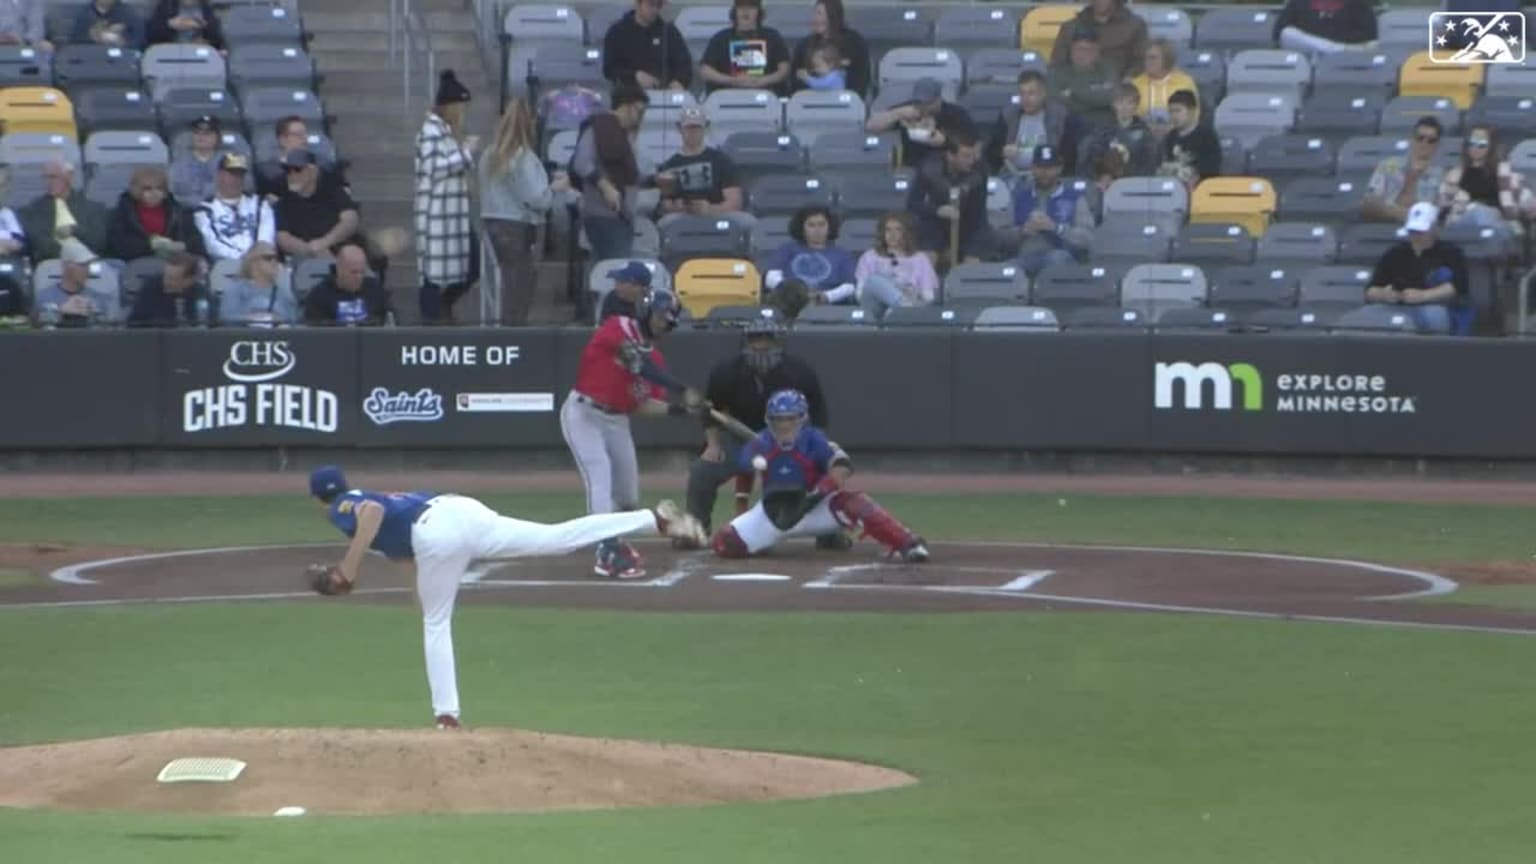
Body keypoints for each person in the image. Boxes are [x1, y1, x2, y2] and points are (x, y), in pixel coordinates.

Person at [304, 464, 706, 730]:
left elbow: (370, 513)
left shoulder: (343, 506)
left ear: (317, 499)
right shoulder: (379, 501)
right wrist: (422, 602)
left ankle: (447, 717)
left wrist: (347, 571)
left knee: (437, 625)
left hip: (436, 531)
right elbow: (406, 558)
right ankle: (653, 520)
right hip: (461, 510)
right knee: (556, 538)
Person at [560, 288, 702, 579]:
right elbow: (639, 364)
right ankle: (606, 548)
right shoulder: (617, 327)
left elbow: (642, 404)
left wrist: (683, 410)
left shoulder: (657, 360)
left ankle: (609, 532)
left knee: (627, 497)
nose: (664, 322)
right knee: (599, 477)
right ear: (647, 311)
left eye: (668, 319)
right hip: (583, 413)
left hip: (616, 420)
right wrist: (681, 389)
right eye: (661, 316)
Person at [711, 389, 929, 562]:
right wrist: (742, 500)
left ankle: (908, 543)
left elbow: (842, 466)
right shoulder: (761, 442)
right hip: (774, 513)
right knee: (725, 544)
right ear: (771, 420)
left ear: (802, 419)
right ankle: (768, 541)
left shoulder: (814, 439)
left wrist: (823, 488)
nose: (784, 425)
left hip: (815, 507)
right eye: (779, 419)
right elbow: (744, 469)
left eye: (790, 419)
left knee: (856, 503)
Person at [686, 317, 832, 542]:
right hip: (739, 439)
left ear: (778, 343)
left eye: (768, 339)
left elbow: (819, 418)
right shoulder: (726, 371)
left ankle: (829, 533)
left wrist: (814, 451)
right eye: (755, 339)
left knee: (823, 473)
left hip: (790, 439)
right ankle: (696, 530)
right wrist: (713, 446)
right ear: (746, 342)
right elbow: (709, 412)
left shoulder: (800, 371)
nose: (761, 345)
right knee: (702, 471)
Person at [480, 98, 564, 327]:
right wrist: (554, 189)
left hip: (492, 223)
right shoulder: (523, 158)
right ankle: (514, 336)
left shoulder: (488, 155)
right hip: (519, 227)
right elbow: (537, 198)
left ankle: (500, 330)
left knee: (501, 285)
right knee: (519, 288)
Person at [414, 70, 478, 325]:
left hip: (452, 214)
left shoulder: (446, 132)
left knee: (470, 265)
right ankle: (431, 318)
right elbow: (433, 168)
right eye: (461, 107)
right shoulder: (429, 131)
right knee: (432, 273)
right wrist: (465, 153)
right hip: (435, 215)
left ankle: (444, 306)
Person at [571, 83, 650, 262]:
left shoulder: (622, 134)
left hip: (620, 215)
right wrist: (605, 186)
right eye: (639, 111)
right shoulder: (600, 127)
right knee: (615, 268)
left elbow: (627, 174)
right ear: (627, 106)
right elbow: (582, 162)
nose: (640, 118)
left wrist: (653, 180)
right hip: (604, 214)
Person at [1365, 202, 1468, 334]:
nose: (1416, 236)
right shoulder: (1394, 253)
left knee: (1434, 317)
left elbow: (1458, 287)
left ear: (1434, 228)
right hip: (1396, 306)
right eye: (1413, 231)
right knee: (1368, 314)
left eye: (1421, 231)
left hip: (1434, 305)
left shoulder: (1451, 252)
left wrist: (1424, 296)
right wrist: (1385, 295)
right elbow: (1371, 289)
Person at [907, 130, 990, 265]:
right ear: (950, 155)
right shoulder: (929, 168)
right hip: (935, 223)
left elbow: (979, 213)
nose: (972, 161)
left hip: (969, 224)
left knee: (972, 264)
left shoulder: (980, 171)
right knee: (927, 259)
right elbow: (913, 203)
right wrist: (938, 210)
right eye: (966, 156)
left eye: (973, 155)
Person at [1437, 126, 1535, 238]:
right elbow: (1442, 206)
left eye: (1481, 144)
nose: (1476, 148)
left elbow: (1527, 203)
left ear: (1491, 146)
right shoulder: (1454, 175)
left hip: (1498, 231)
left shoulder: (1505, 174)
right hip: (1464, 231)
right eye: (1472, 143)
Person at [986, 70, 1082, 182]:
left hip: (1050, 179)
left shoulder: (1060, 116)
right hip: (1011, 177)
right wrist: (1002, 151)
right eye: (1022, 93)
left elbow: (1069, 155)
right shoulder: (1008, 115)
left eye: (1031, 93)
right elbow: (990, 152)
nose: (1026, 99)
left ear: (1043, 93)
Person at [1013, 145, 1094, 277]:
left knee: (1056, 259)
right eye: (1040, 167)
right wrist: (1022, 231)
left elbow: (1087, 238)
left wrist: (1056, 228)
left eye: (1049, 168)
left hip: (1060, 254)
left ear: (1059, 169)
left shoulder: (1075, 198)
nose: (1044, 172)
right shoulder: (1020, 196)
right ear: (1032, 168)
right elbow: (1001, 235)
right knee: (1007, 269)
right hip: (1025, 256)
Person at [655, 108, 745, 223]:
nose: (692, 132)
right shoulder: (669, 166)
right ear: (680, 129)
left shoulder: (721, 161)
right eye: (688, 127)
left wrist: (710, 209)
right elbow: (664, 204)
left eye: (697, 127)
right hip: (682, 222)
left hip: (717, 219)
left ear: (705, 129)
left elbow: (734, 202)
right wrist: (679, 207)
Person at [865, 77, 976, 169]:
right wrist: (897, 114)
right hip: (910, 166)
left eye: (928, 103)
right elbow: (871, 126)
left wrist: (945, 142)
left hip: (945, 168)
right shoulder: (908, 109)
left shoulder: (956, 114)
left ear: (938, 99)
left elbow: (971, 145)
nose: (923, 106)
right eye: (919, 102)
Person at [16, 157, 109, 265]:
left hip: (91, 263)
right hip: (52, 264)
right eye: (45, 178)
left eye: (53, 177)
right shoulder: (32, 210)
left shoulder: (94, 208)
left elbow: (99, 242)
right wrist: (70, 254)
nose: (48, 182)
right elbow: (40, 245)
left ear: (69, 176)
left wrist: (74, 230)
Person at [275, 148, 360, 259]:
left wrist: (325, 242)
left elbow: (350, 219)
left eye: (297, 169)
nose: (291, 175)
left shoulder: (333, 190)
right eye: (287, 170)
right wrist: (309, 250)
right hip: (300, 260)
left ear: (313, 172)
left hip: (339, 253)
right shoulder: (283, 200)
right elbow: (282, 237)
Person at [764, 204, 857, 304]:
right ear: (802, 228)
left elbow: (850, 286)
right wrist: (794, 293)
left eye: (822, 224)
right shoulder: (787, 249)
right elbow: (771, 278)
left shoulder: (842, 254)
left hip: (829, 306)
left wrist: (826, 296)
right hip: (791, 304)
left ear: (829, 227)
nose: (817, 230)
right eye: (811, 225)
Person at [107, 165, 201, 262]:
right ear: (136, 190)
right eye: (148, 189)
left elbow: (196, 241)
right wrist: (151, 245)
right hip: (135, 261)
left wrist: (183, 245)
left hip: (175, 261)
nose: (154, 193)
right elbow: (119, 244)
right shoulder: (124, 212)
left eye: (159, 188)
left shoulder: (179, 212)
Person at [854, 211, 939, 317]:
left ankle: (899, 310)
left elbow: (929, 297)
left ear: (907, 233)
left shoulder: (920, 259)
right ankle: (903, 309)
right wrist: (888, 291)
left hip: (911, 304)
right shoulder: (869, 256)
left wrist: (908, 293)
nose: (892, 234)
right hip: (875, 309)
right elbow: (860, 293)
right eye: (888, 230)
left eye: (898, 229)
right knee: (874, 280)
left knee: (893, 309)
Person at [1363, 116, 1445, 225]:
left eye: (1431, 140)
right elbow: (1370, 200)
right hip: (1383, 223)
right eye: (1420, 138)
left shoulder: (1442, 176)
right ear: (1412, 139)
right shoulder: (1388, 165)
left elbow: (1436, 213)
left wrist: (1390, 210)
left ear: (1437, 144)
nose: (1424, 144)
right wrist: (1401, 213)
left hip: (1420, 230)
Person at [193, 153, 274, 262]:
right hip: (225, 265)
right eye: (231, 174)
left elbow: (266, 237)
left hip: (260, 262)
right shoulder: (205, 210)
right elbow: (212, 244)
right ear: (219, 176)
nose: (236, 180)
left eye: (240, 175)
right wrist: (242, 257)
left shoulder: (260, 204)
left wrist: (257, 256)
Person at [699, 0, 790, 95]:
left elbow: (784, 69)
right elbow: (705, 70)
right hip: (728, 94)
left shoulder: (772, 37)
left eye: (751, 7)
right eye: (741, 7)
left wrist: (763, 81)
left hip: (766, 93)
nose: (746, 11)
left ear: (759, 12)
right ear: (734, 12)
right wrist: (731, 80)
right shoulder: (721, 38)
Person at [602, 0, 691, 90]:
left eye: (659, 6)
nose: (655, 10)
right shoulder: (617, 32)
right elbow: (610, 68)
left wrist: (679, 81)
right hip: (629, 95)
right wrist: (635, 76)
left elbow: (684, 64)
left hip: (663, 93)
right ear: (638, 4)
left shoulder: (668, 31)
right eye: (651, 5)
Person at [1049, 0, 1147, 79]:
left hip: (1119, 91)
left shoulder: (1135, 26)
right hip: (1077, 91)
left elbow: (1141, 60)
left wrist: (1128, 78)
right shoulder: (1070, 27)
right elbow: (1057, 63)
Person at [1079, 83, 1159, 179]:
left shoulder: (1145, 134)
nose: (1124, 107)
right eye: (1120, 102)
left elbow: (1148, 165)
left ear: (1136, 105)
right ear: (1113, 104)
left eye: (1129, 103)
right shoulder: (1102, 131)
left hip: (1134, 182)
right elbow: (1092, 161)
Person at [791, 0, 870, 97]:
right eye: (814, 13)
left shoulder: (855, 42)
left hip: (845, 102)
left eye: (819, 14)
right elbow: (795, 78)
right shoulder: (804, 45)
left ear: (833, 16)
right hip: (810, 102)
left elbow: (861, 78)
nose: (814, 18)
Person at [257, 116, 347, 199]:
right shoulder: (267, 171)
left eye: (305, 134)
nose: (304, 139)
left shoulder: (322, 164)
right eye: (298, 135)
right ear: (282, 140)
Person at [1050, 24, 1118, 133]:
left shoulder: (1106, 70)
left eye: (1088, 50)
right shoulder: (1058, 72)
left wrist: (1073, 93)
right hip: (1069, 128)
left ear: (1097, 52)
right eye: (1078, 49)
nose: (1082, 54)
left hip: (1102, 128)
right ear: (1071, 50)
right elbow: (1056, 101)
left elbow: (1110, 96)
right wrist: (1094, 96)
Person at [303, 243, 391, 326]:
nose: (359, 277)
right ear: (339, 270)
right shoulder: (319, 295)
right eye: (354, 272)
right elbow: (315, 332)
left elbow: (388, 320)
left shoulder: (375, 290)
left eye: (362, 272)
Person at [33, 243, 116, 328]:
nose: (87, 270)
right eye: (82, 265)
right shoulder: (44, 297)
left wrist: (92, 314)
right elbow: (35, 327)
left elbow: (107, 329)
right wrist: (61, 311)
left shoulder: (97, 298)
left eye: (88, 265)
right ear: (66, 266)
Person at [218, 242, 298, 327]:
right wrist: (255, 319)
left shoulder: (284, 293)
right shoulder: (236, 289)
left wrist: (277, 320)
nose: (274, 262)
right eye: (268, 258)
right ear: (253, 262)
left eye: (276, 258)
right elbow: (227, 318)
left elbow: (293, 322)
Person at [1158, 90, 1221, 191]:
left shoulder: (1207, 136)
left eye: (1178, 111)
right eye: (1171, 111)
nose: (1174, 116)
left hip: (1201, 189)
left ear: (1192, 111)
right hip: (1174, 188)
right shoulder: (1170, 137)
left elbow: (1211, 168)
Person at [127, 252, 209, 328]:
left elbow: (209, 325)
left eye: (172, 279)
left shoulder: (200, 293)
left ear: (190, 280)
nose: (166, 281)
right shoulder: (151, 286)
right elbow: (135, 323)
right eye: (166, 276)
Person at [1131, 39, 1197, 127]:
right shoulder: (1135, 84)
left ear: (1167, 60)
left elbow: (1193, 116)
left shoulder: (1184, 83)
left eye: (1153, 58)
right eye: (1146, 58)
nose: (1147, 62)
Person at [1273, 0, 1377, 54]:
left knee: (1372, 46)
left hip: (1346, 60)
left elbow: (1369, 36)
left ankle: (1336, 50)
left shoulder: (1358, 3)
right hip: (1305, 57)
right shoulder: (1300, 2)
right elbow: (1279, 33)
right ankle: (1338, 50)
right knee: (1288, 33)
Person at [169, 115, 227, 205]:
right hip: (187, 211)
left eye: (207, 133)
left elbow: (241, 187)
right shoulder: (179, 163)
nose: (201, 136)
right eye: (197, 132)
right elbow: (174, 191)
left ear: (217, 137)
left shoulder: (228, 161)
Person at [69, 0, 144, 50]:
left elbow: (140, 42)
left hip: (120, 63)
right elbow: (75, 45)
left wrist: (120, 42)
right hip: (92, 62)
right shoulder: (84, 15)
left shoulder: (128, 14)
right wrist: (94, 37)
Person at [146, 0, 222, 48]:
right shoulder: (167, 5)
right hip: (171, 53)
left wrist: (206, 29)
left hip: (198, 54)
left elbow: (218, 38)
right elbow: (150, 34)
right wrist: (169, 24)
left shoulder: (205, 8)